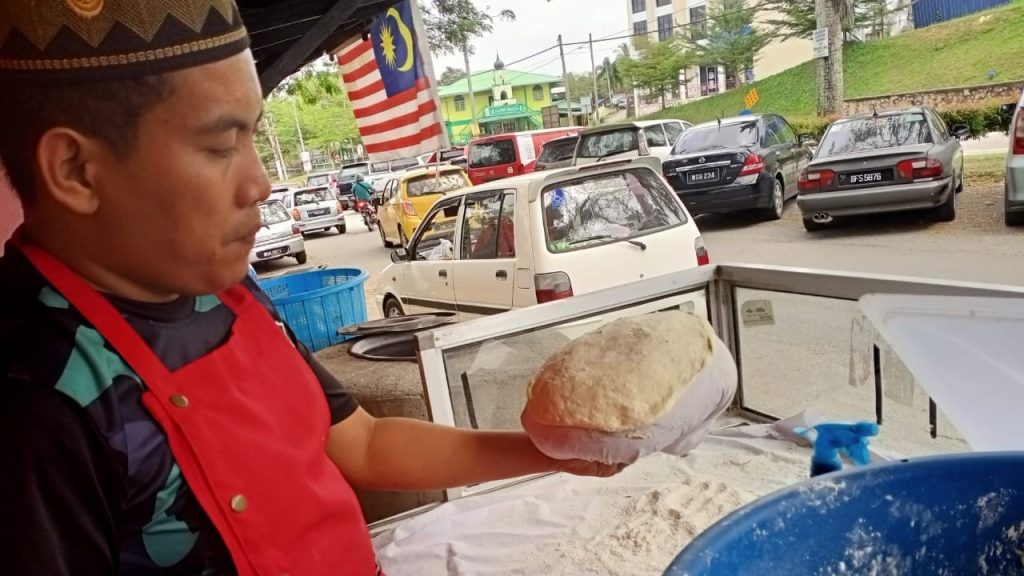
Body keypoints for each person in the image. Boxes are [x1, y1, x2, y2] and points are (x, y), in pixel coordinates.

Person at [0, 2, 624, 574]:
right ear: (76, 171)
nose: (262, 184)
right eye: (221, 146)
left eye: (253, 137)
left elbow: (366, 445)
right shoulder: (38, 400)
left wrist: (553, 453)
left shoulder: (222, 288)